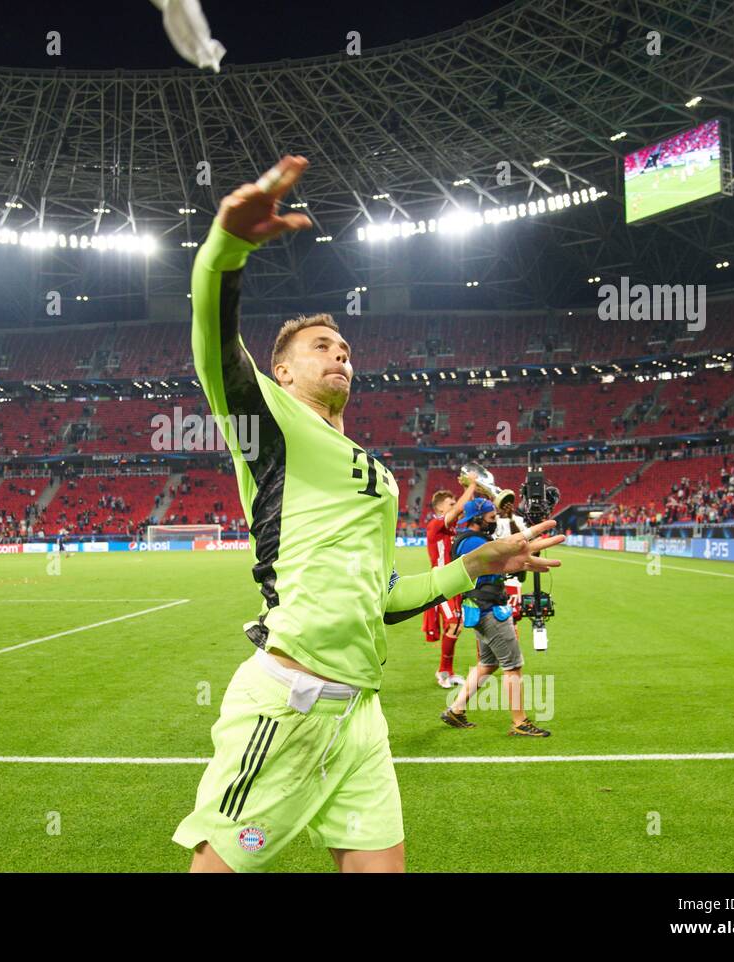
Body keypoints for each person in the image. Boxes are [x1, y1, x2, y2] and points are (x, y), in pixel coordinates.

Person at [172, 155, 563, 873]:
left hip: (362, 712)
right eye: (322, 347)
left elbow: (384, 600)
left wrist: (477, 563)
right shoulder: (272, 425)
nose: (342, 355)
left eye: (346, 348)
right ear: (282, 371)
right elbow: (211, 346)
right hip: (290, 701)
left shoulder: (374, 472)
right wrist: (225, 247)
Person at [441, 499, 551, 737]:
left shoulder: (468, 540)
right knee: (513, 665)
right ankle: (520, 722)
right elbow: (501, 557)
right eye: (491, 518)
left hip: (478, 607)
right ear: (477, 519)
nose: (494, 521)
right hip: (488, 608)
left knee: (488, 663)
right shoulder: (473, 542)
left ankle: (456, 710)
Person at [423, 482, 478, 688]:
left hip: (454, 582)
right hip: (441, 583)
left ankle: (447, 670)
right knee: (454, 623)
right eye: (451, 503)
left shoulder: (452, 528)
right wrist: (472, 484)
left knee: (456, 626)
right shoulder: (436, 524)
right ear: (440, 508)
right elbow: (458, 510)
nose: (455, 505)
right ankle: (443, 672)